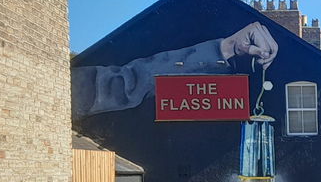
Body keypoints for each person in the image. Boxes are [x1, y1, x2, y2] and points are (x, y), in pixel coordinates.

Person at [72, 22, 278, 118]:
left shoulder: (65, 86)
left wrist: (225, 49)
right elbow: (127, 84)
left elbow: (127, 84)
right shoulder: (57, 86)